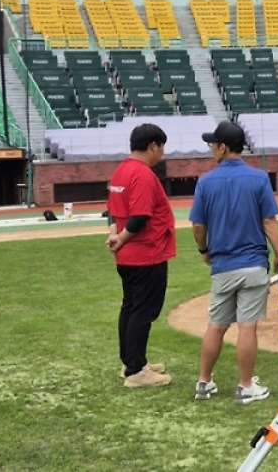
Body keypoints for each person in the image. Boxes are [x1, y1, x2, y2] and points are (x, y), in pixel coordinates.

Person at [190, 121, 278, 404]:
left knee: (216, 325)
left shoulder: (206, 181)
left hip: (223, 266)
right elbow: (268, 221)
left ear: (223, 147)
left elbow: (197, 226)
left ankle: (204, 383)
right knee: (247, 326)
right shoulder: (258, 179)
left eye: (213, 144)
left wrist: (203, 250)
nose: (210, 149)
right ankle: (245, 386)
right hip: (253, 263)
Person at [106, 123, 175, 388]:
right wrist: (122, 238)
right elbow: (140, 217)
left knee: (131, 307)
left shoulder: (120, 171)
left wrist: (115, 235)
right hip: (147, 254)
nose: (162, 154)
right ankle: (136, 371)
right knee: (143, 311)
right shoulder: (144, 175)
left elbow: (113, 211)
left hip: (128, 256)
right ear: (153, 146)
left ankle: (132, 361)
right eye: (161, 147)